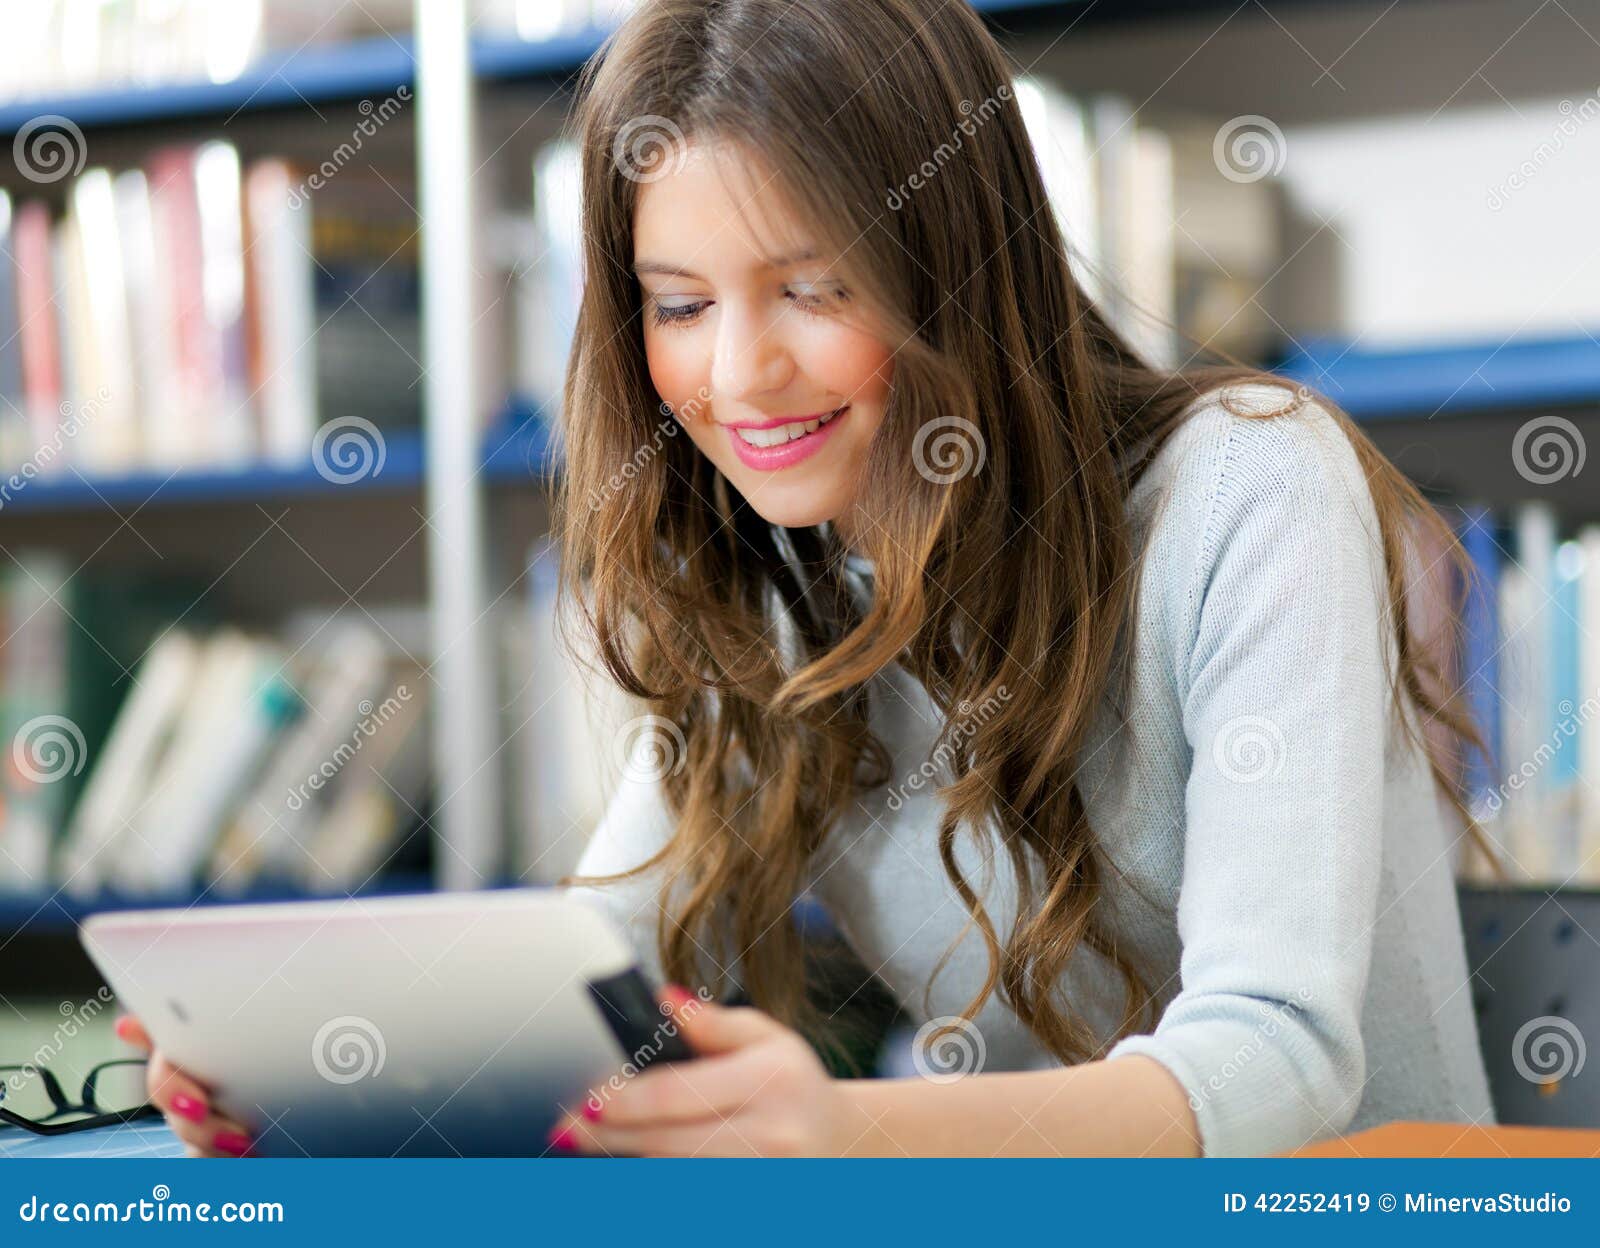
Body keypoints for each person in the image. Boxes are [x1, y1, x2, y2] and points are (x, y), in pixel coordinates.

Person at [121, 0, 1499, 1158]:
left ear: (951, 267)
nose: (734, 377)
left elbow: (1283, 1060)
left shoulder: (1252, 486)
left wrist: (849, 1130)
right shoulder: (778, 591)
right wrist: (326, 1074)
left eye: (812, 287)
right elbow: (593, 976)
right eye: (679, 303)